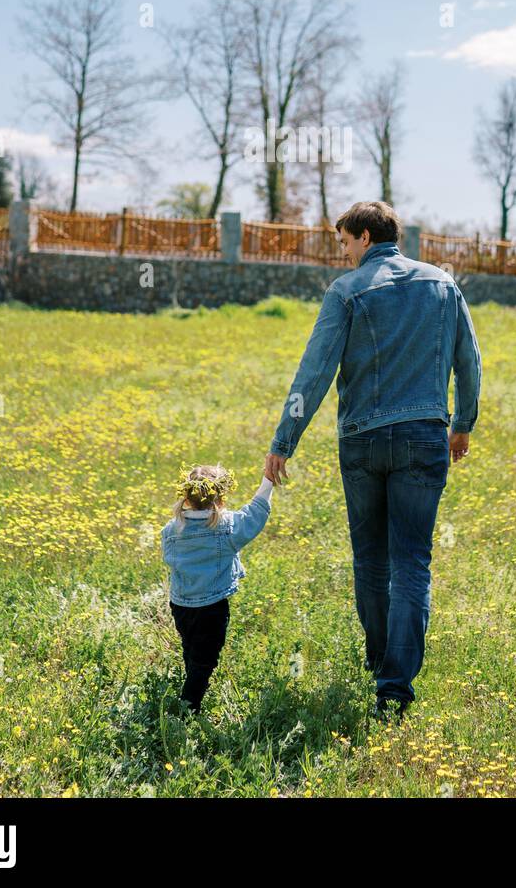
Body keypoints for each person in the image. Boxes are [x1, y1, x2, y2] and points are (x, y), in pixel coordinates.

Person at [264, 200, 481, 722]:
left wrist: (283, 440)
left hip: (361, 442)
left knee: (371, 559)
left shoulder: (346, 292)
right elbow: (468, 360)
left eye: (343, 243)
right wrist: (462, 424)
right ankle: (394, 686)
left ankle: (379, 658)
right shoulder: (442, 285)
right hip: (424, 437)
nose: (343, 254)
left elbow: (313, 372)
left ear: (364, 236)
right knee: (412, 562)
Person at [161, 463, 274, 713]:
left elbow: (168, 558)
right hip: (211, 607)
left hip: (180, 604)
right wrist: (268, 482)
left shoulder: (171, 529)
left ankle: (191, 686)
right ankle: (188, 708)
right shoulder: (226, 527)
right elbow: (255, 515)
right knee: (206, 659)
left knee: (191, 648)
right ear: (221, 498)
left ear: (186, 497)